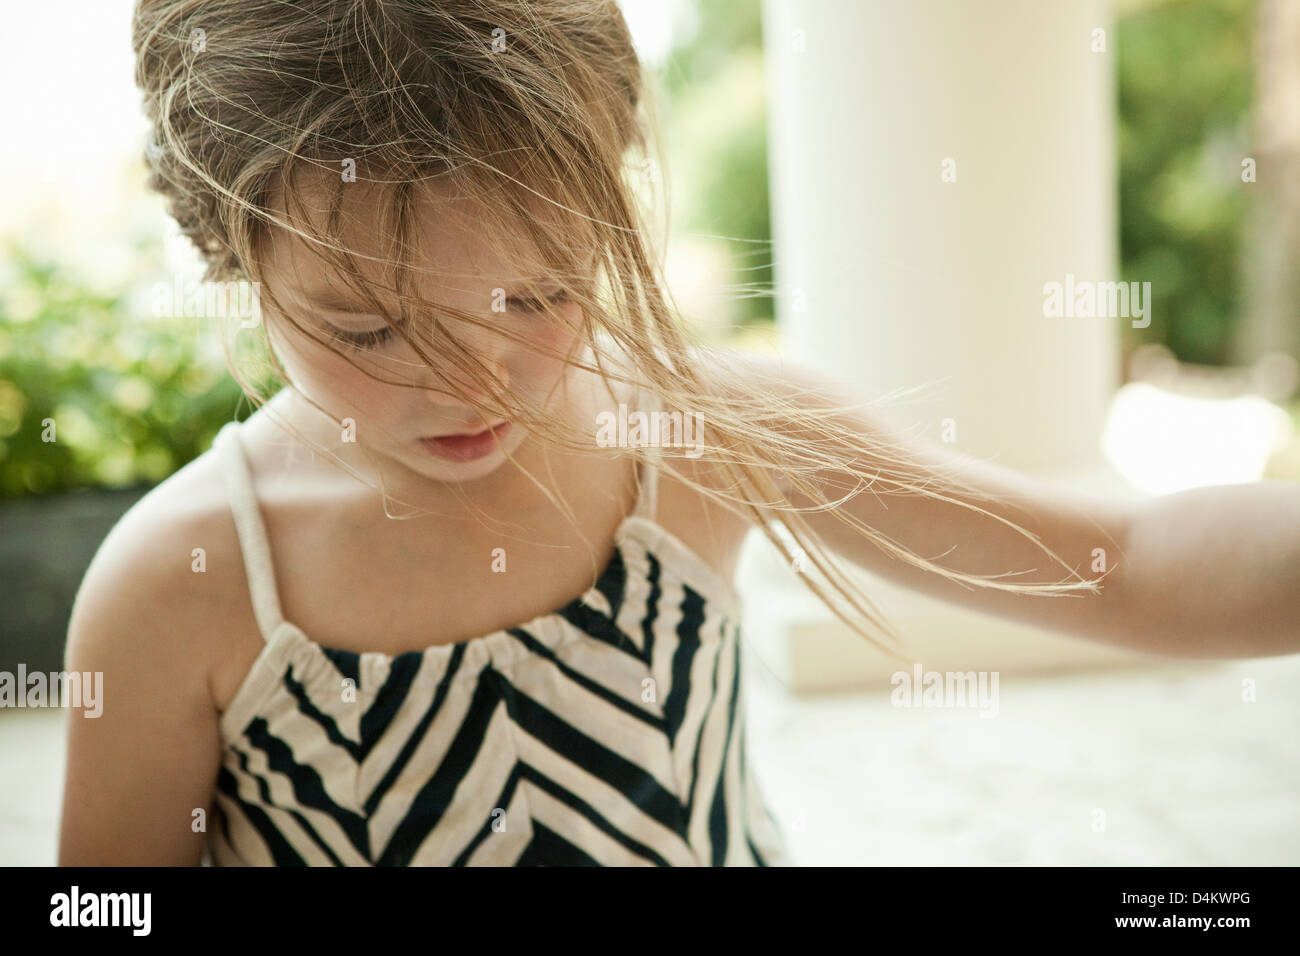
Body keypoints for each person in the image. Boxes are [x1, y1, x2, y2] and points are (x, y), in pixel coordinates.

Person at [57, 0, 1300, 866]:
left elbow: (1124, 564)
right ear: (229, 252)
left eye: (539, 296)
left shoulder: (702, 435)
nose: (473, 380)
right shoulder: (194, 582)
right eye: (371, 330)